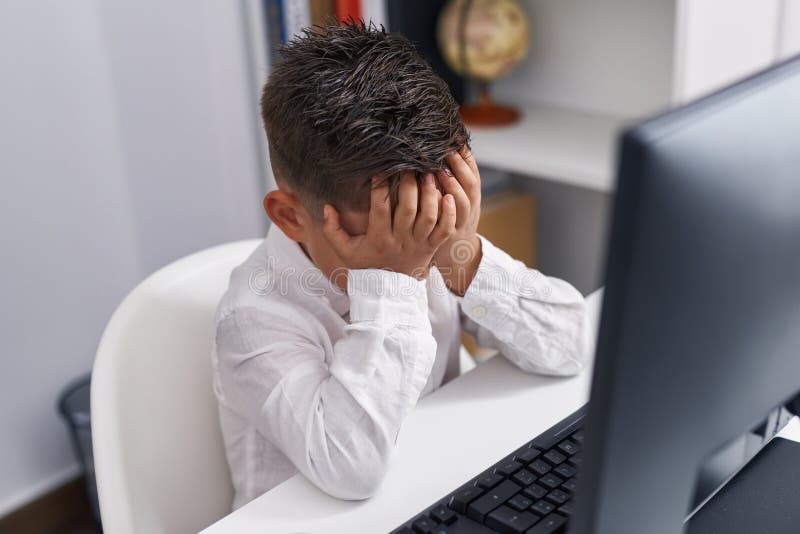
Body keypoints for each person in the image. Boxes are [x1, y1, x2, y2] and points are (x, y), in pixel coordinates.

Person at [212, 19, 590, 510]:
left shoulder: (437, 242)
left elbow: (569, 346)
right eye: (391, 228)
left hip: (437, 491)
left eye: (433, 214)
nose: (421, 237)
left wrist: (463, 254)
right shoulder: (253, 320)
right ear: (291, 217)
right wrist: (391, 281)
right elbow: (353, 469)